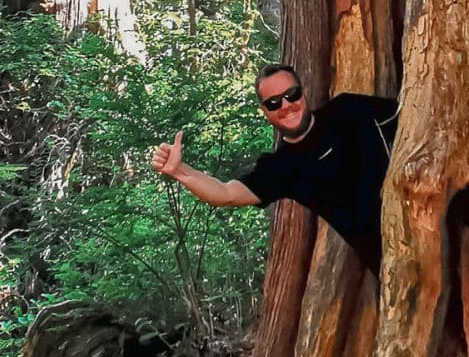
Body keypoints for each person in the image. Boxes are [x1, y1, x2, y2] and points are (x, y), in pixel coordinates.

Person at [149, 64, 398, 270]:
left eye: (292, 95)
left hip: (421, 213)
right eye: (274, 102)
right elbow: (225, 193)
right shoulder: (281, 168)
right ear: (264, 111)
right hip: (392, 261)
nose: (286, 105)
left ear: (303, 92)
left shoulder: (349, 109)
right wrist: (180, 171)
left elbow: (409, 117)